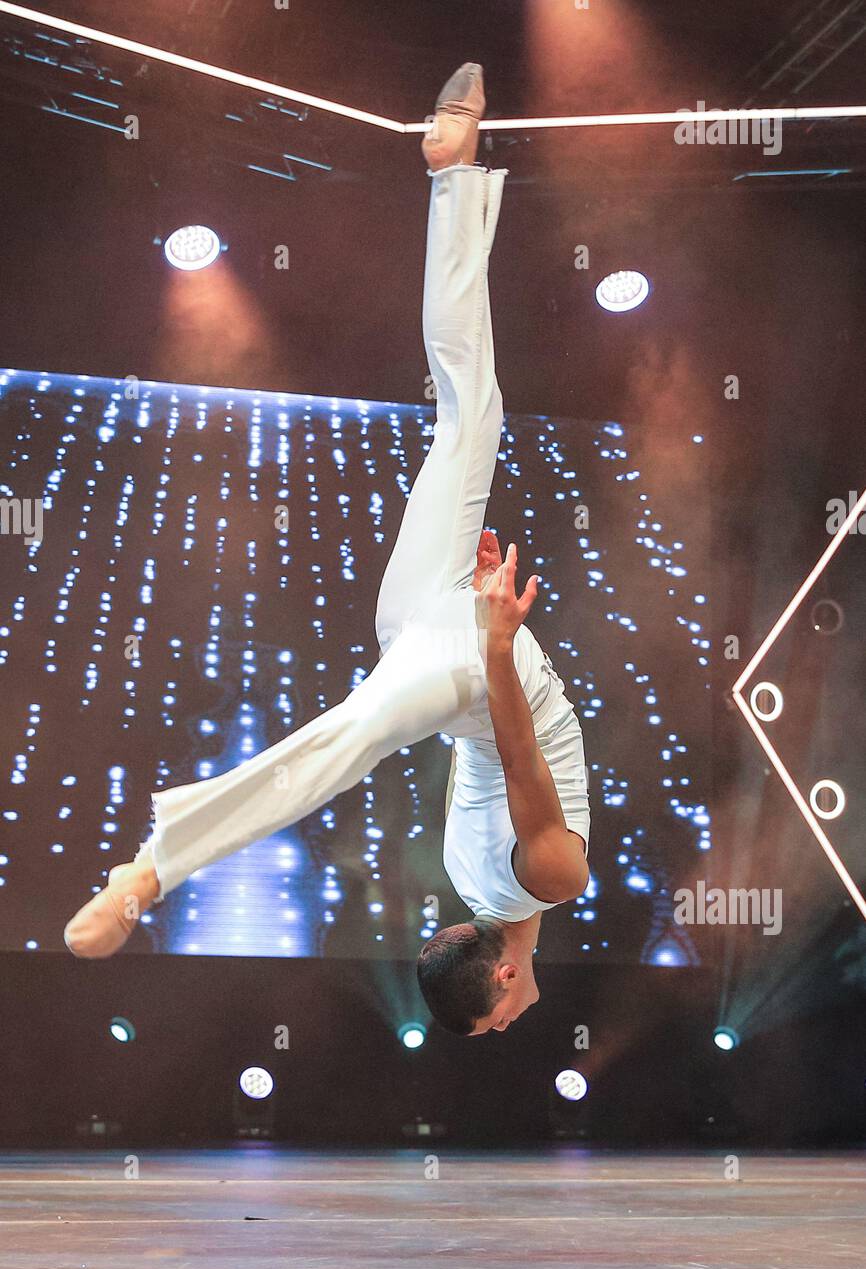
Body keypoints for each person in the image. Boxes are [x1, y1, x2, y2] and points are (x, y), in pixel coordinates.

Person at [64, 63, 591, 1039]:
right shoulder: (480, 889)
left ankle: (149, 870)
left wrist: (492, 642)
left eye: (492, 1024)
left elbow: (517, 755)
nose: (509, 1024)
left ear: (507, 984)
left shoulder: (548, 881)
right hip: (428, 636)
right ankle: (450, 174)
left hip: (465, 669)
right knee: (467, 414)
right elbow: (495, 768)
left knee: (336, 749)